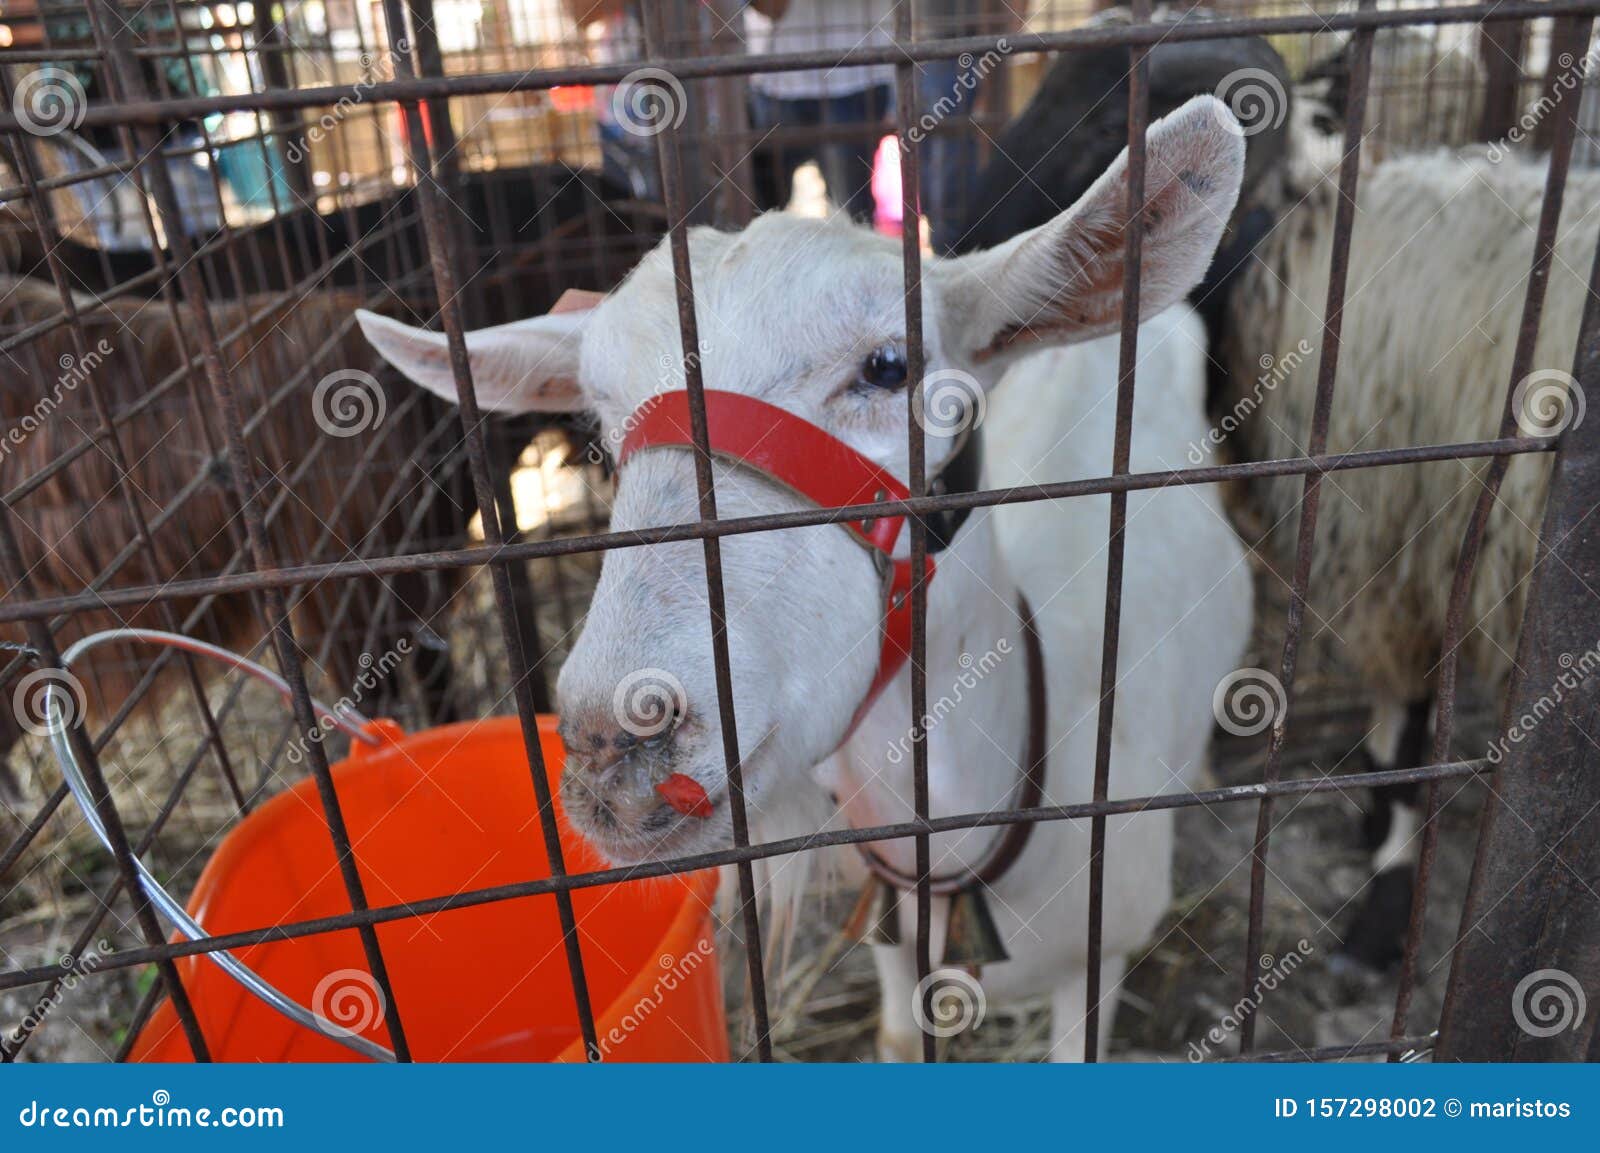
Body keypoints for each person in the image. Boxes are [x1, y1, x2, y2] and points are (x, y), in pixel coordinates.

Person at [744, 0, 896, 222]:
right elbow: (771, 9)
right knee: (762, 217)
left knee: (852, 217)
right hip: (775, 79)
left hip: (857, 76)